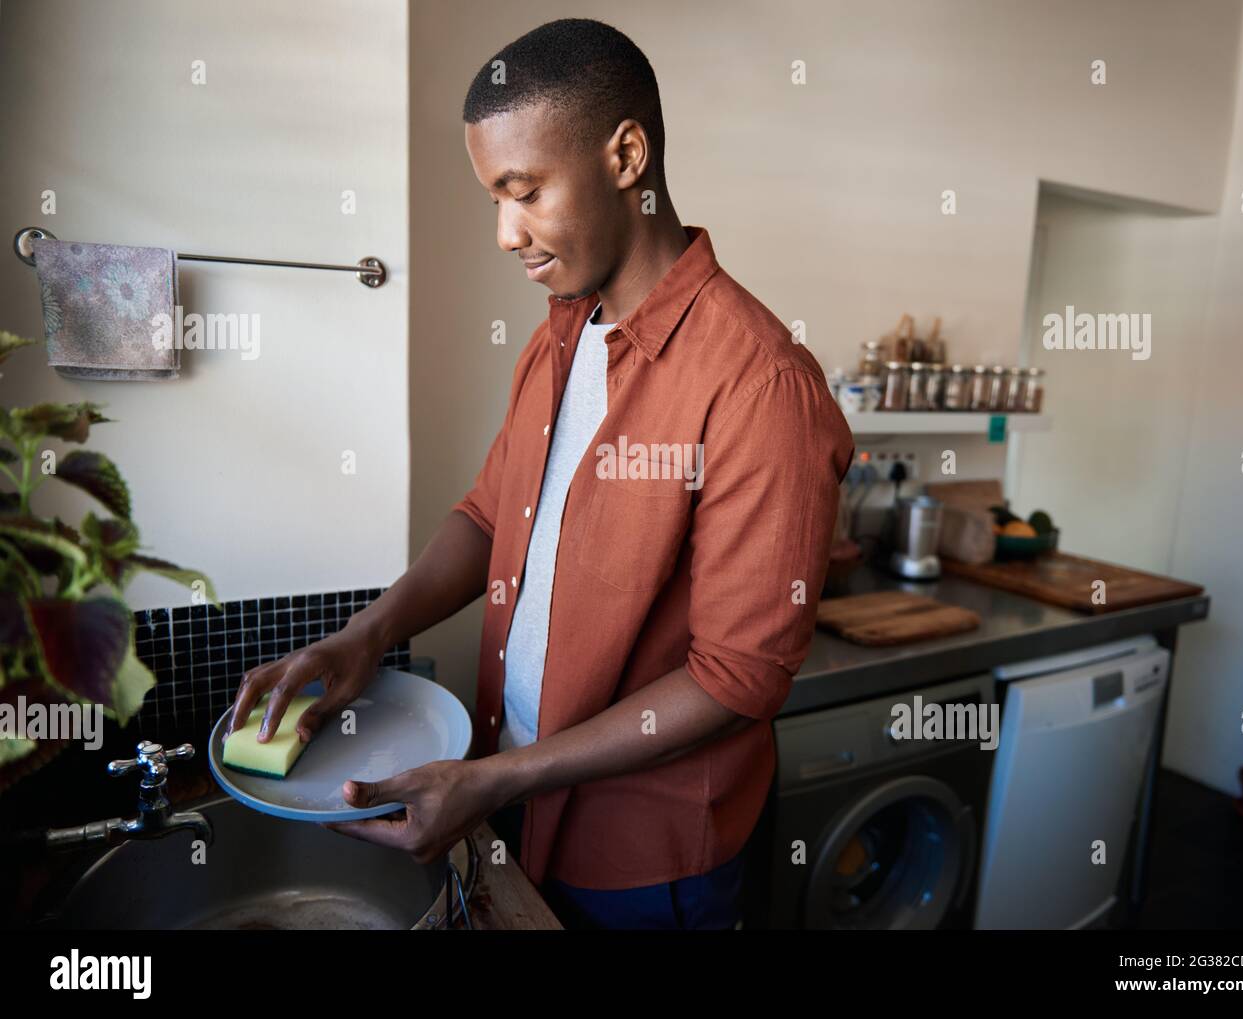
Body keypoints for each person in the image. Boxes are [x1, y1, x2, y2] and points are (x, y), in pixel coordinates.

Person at [225, 17, 853, 930]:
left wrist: (489, 781)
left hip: (650, 859)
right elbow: (490, 515)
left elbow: (735, 678)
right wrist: (366, 636)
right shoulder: (562, 332)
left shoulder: (762, 385)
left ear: (627, 155)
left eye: (523, 192)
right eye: (492, 198)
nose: (503, 232)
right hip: (514, 791)